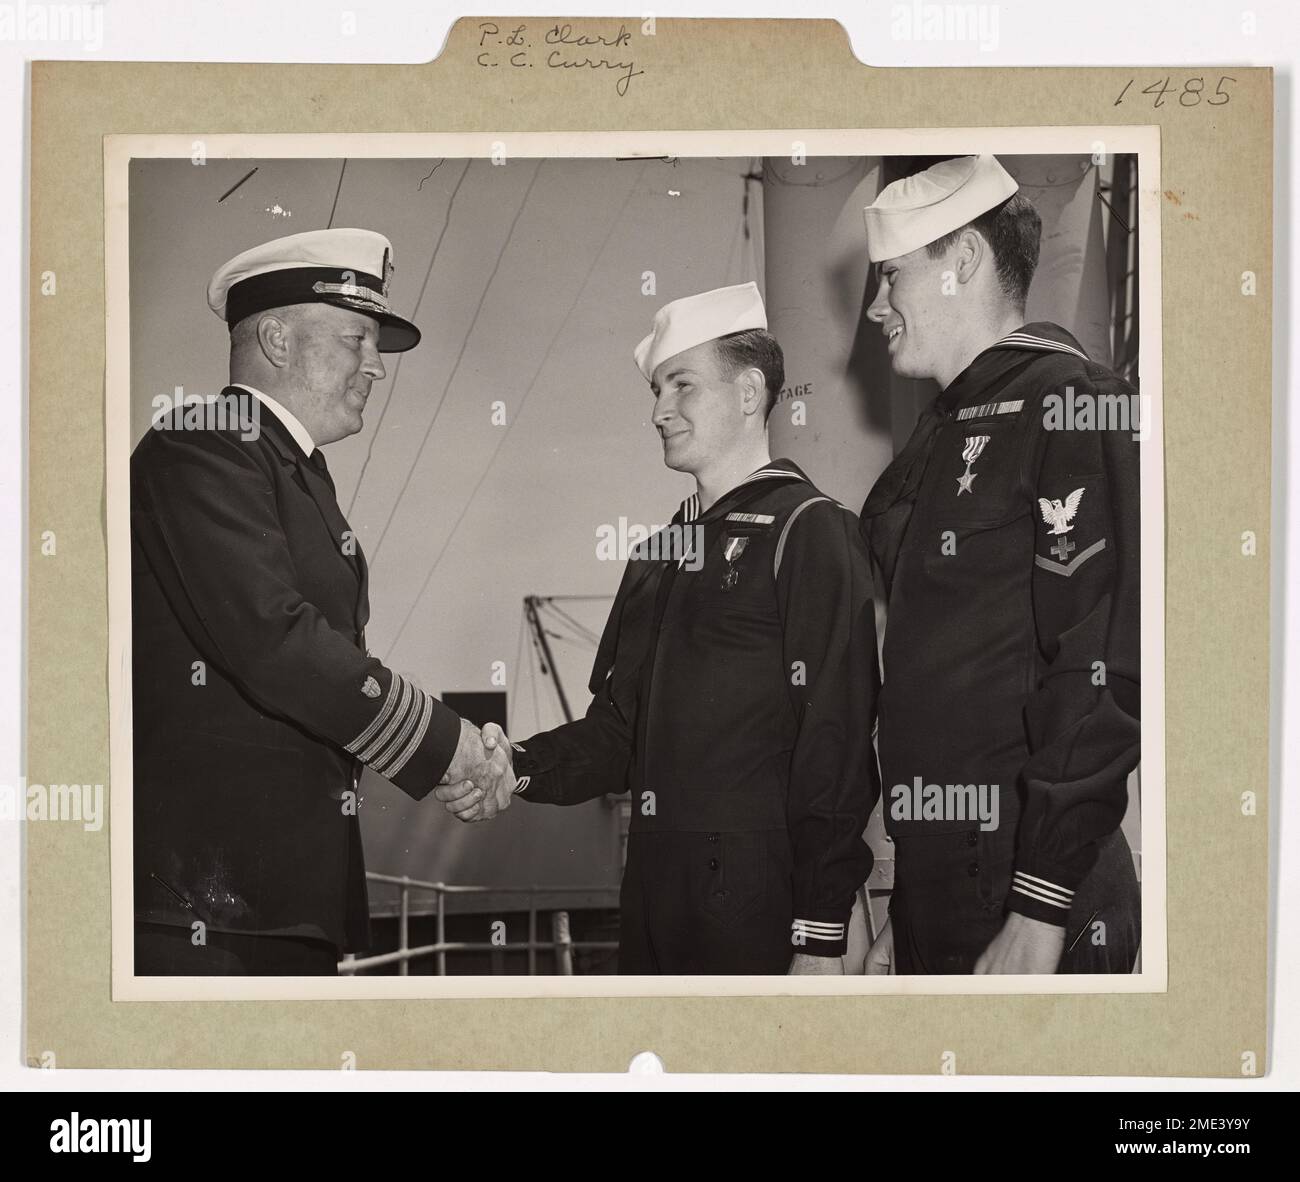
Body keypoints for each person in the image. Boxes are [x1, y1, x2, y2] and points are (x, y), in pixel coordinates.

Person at [437, 282, 879, 975]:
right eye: (655, 390)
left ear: (749, 392)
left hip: (763, 910)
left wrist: (820, 933)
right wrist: (515, 767)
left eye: (682, 386)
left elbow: (838, 745)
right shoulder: (658, 555)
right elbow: (618, 734)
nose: (658, 411)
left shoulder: (809, 531)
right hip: (652, 903)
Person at [131, 227, 512, 976]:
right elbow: (275, 641)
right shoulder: (203, 443)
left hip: (277, 895)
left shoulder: (288, 469)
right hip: (206, 901)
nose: (376, 365)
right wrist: (446, 745)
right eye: (356, 339)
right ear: (276, 339)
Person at [857, 155, 1141, 975]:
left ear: (965, 260)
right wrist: (911, 908)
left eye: (892, 275)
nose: (875, 306)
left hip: (1034, 896)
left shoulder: (1073, 405)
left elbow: (1098, 664)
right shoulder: (932, 445)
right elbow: (946, 692)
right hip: (944, 894)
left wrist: (1040, 903)